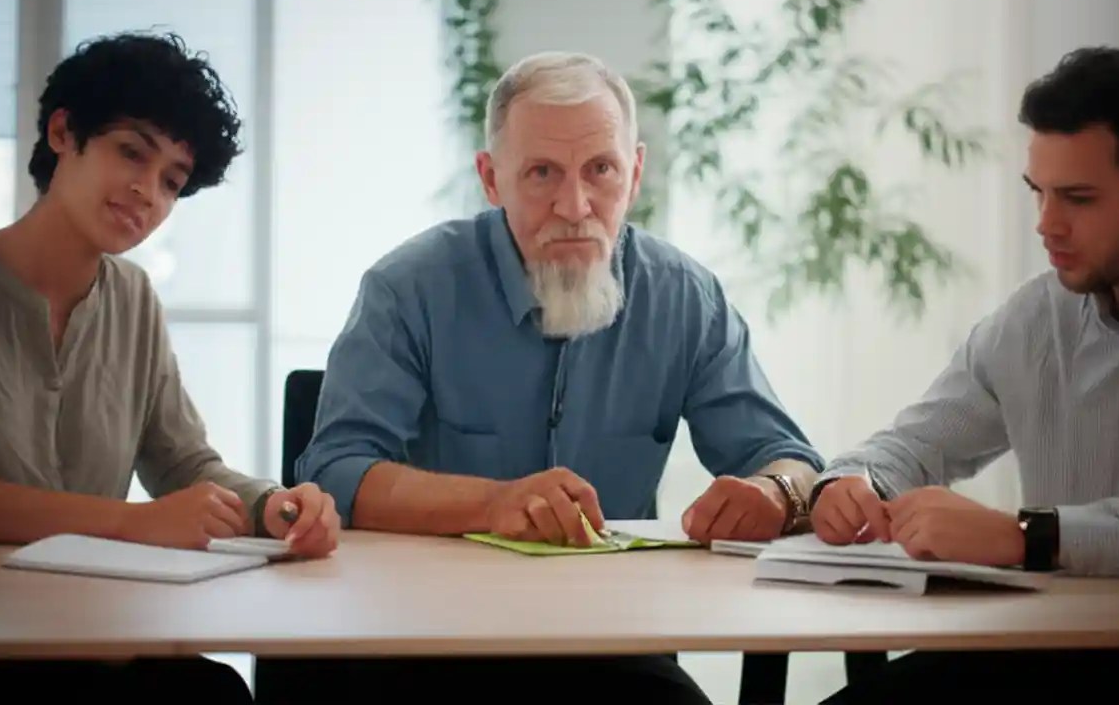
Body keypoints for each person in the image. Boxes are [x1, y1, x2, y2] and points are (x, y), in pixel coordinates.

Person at [277, 51, 825, 703]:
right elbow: (333, 472)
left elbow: (791, 460)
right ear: (490, 178)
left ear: (636, 172)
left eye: (601, 170)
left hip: (611, 648)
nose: (575, 205)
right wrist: (492, 504)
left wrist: (776, 494)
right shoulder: (409, 288)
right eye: (542, 173)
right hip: (424, 641)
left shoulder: (685, 297)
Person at [0, 32, 340, 701]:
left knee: (215, 696)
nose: (148, 193)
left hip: (97, 637)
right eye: (131, 153)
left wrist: (273, 504)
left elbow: (184, 467)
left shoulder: (133, 299)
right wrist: (131, 522)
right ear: (64, 132)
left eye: (172, 181)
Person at [810, 46, 1119, 703]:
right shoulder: (1032, 322)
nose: (1046, 225)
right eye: (1039, 193)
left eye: (1077, 198)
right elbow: (912, 443)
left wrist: (1027, 535)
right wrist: (852, 481)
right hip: (1043, 657)